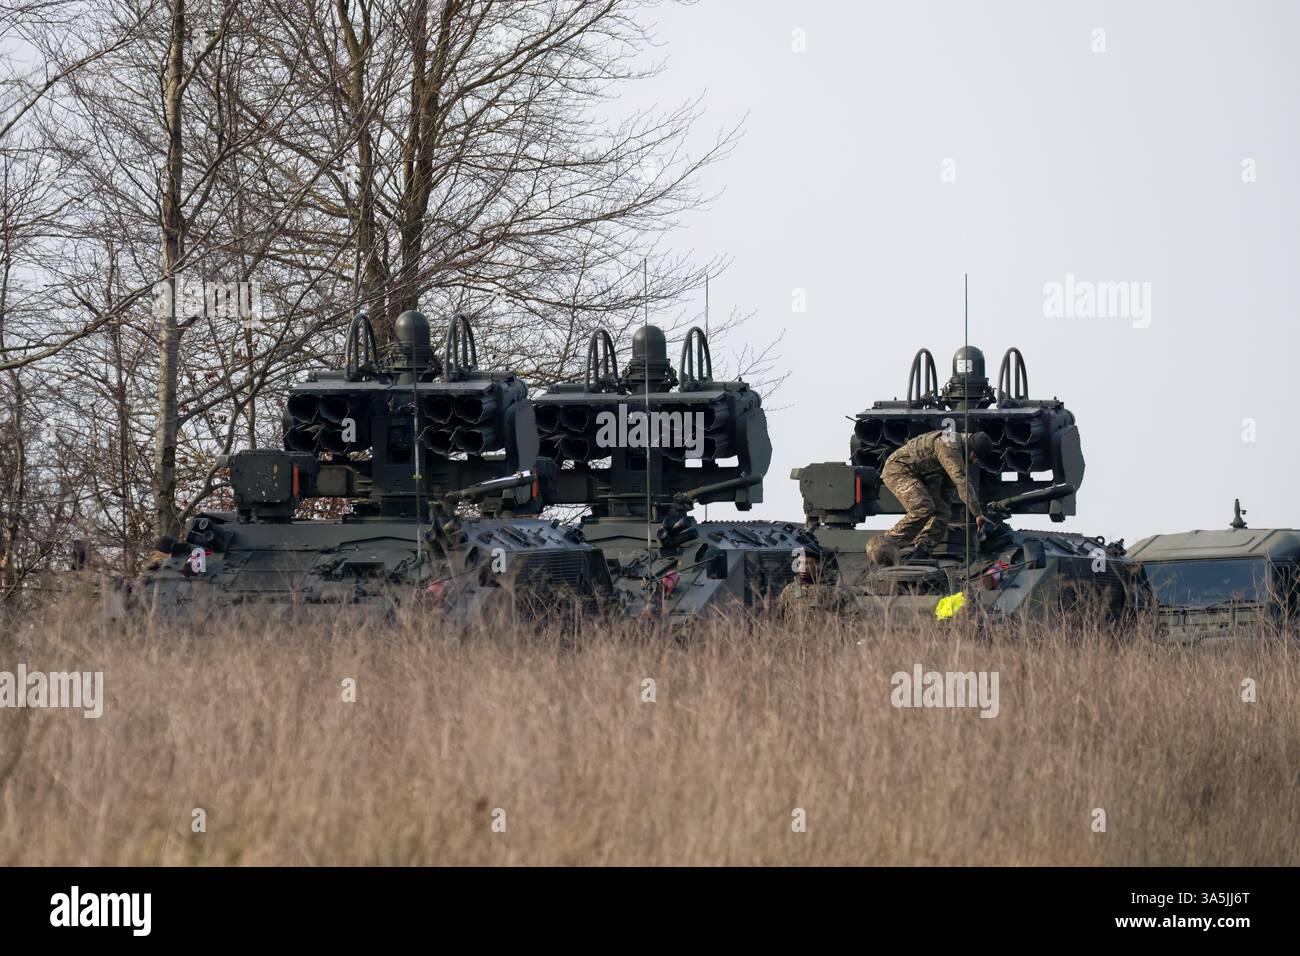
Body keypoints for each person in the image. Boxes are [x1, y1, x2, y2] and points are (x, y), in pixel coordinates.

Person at [880, 429, 1000, 560]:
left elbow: (947, 491)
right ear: (970, 448)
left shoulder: (959, 453)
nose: (975, 461)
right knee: (924, 507)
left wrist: (941, 522)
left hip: (921, 476)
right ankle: (886, 544)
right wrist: (977, 513)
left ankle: (920, 551)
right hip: (899, 470)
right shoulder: (950, 446)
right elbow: (961, 480)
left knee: (943, 512)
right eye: (976, 457)